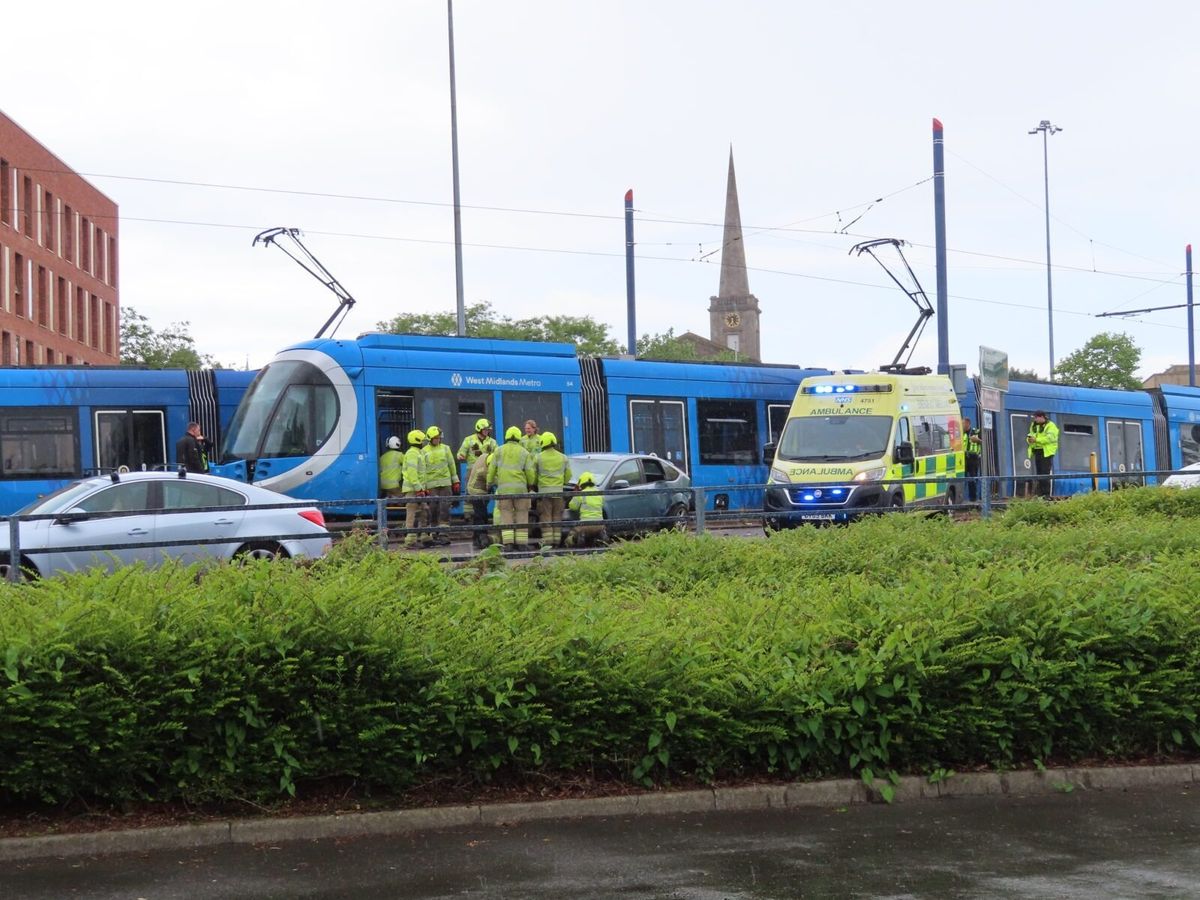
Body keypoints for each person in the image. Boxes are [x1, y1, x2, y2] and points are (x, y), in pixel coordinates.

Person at [488, 425, 535, 551]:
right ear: (519, 437)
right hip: (521, 490)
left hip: (504, 490)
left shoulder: (498, 451)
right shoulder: (524, 452)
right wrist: (531, 484)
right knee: (522, 515)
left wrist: (489, 483)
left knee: (506, 515)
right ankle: (522, 544)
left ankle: (508, 544)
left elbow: (491, 469)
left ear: (507, 437)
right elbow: (530, 472)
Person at [457, 418, 497, 532]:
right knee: (470, 494)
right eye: (485, 429)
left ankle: (480, 514)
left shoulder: (492, 442)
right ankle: (468, 516)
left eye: (488, 430)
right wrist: (460, 456)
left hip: (486, 471)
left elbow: (497, 454)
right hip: (472, 471)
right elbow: (461, 452)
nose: (487, 431)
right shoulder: (469, 440)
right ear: (479, 429)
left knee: (485, 493)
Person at [533, 432, 572, 548]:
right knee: (557, 518)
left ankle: (548, 543)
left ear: (543, 443)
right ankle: (557, 542)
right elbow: (568, 476)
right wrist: (561, 483)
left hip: (544, 493)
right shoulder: (563, 457)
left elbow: (533, 475)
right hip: (559, 493)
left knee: (546, 518)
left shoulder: (538, 457)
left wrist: (535, 484)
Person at [423, 425, 460, 545]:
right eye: (435, 438)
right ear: (430, 438)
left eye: (439, 438)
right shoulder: (424, 451)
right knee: (433, 509)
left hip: (445, 484)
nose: (438, 440)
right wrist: (424, 486)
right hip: (431, 486)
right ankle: (434, 533)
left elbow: (451, 465)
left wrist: (455, 481)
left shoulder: (446, 449)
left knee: (445, 509)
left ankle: (444, 534)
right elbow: (422, 470)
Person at [401, 429, 431, 548]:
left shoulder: (418, 453)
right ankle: (410, 541)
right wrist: (419, 488)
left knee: (424, 512)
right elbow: (412, 473)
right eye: (423, 441)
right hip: (413, 490)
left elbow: (421, 474)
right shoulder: (412, 453)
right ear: (417, 441)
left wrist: (424, 488)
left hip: (418, 490)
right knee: (412, 514)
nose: (424, 443)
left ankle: (425, 538)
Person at [566, 471, 606, 547]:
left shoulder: (581, 494)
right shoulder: (599, 493)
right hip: (599, 525)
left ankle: (572, 548)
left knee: (571, 535)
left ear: (581, 482)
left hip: (585, 526)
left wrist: (575, 494)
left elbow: (572, 507)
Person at [1026, 410, 1059, 498]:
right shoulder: (1034, 425)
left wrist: (1036, 440)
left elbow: (1050, 438)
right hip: (1037, 451)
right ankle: (1040, 494)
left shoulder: (1050, 426)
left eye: (1036, 417)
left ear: (1042, 417)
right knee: (1039, 473)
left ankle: (1046, 495)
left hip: (1046, 452)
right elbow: (1031, 434)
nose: (1035, 419)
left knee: (1045, 473)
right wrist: (1029, 439)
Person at [465, 451, 493, 549]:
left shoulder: (483, 456)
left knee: (479, 515)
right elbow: (490, 482)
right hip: (477, 492)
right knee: (481, 515)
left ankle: (476, 539)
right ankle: (482, 538)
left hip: (473, 489)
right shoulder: (484, 471)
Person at [962, 417, 982, 502]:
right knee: (961, 479)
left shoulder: (976, 432)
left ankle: (973, 499)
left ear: (968, 423)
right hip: (962, 458)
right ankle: (960, 499)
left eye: (963, 424)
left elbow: (984, 442)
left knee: (972, 479)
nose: (962, 425)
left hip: (973, 459)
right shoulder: (960, 433)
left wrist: (978, 440)